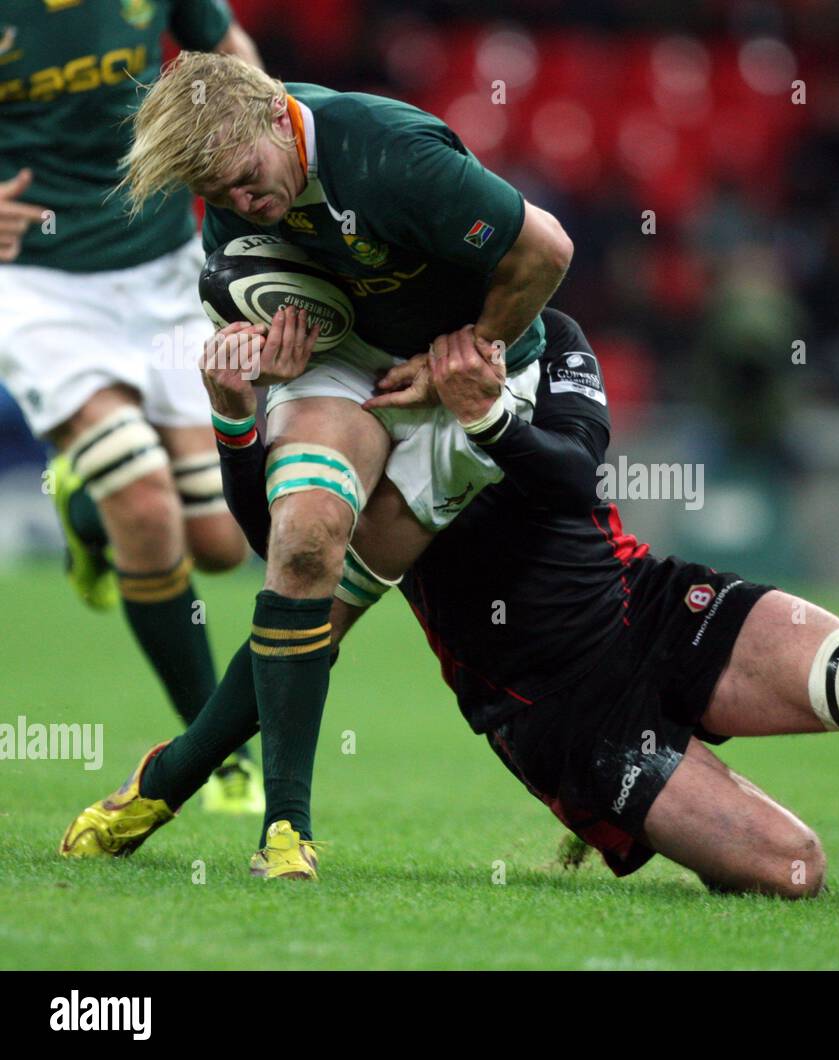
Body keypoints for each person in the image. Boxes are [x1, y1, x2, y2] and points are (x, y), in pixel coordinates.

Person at [65, 321, 839, 893]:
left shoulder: (543, 342)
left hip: (648, 604)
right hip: (553, 710)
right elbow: (292, 615)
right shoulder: (360, 434)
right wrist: (162, 783)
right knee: (793, 871)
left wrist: (489, 412)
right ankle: (632, 809)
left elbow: (573, 474)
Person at [101, 50, 574, 872]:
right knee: (304, 539)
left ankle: (168, 775)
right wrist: (253, 391)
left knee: (327, 611)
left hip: (470, 368)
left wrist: (468, 355)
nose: (245, 204)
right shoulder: (234, 195)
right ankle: (286, 829)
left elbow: (549, 249)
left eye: (250, 177)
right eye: (222, 196)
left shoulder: (388, 152)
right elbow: (261, 532)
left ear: (276, 115)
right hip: (349, 349)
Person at [0, 0, 263, 812]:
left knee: (221, 542)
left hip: (159, 272)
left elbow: (234, 57)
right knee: (145, 502)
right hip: (35, 280)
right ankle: (213, 756)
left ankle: (85, 514)